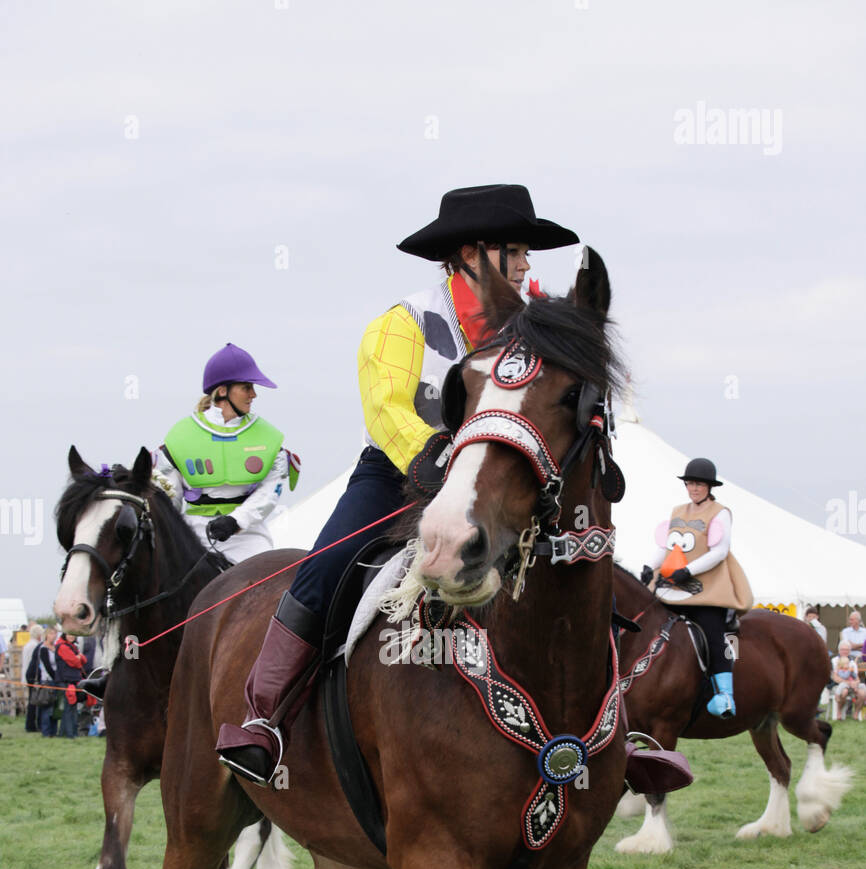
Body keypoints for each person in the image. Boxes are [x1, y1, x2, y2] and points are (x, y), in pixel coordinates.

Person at [216, 183, 579, 784]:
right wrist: (436, 455)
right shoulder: (402, 322)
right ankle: (262, 718)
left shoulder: (538, 325)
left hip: (502, 479)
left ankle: (619, 724)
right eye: (515, 250)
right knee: (324, 569)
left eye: (524, 253)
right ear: (472, 255)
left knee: (581, 553)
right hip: (404, 475)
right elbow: (385, 409)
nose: (525, 264)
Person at [153, 343, 301, 564]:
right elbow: (169, 496)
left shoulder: (269, 438)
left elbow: (269, 492)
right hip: (192, 534)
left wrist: (235, 521)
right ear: (223, 391)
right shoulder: (180, 436)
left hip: (248, 536)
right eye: (246, 387)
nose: (253, 394)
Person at [640, 458, 753, 718]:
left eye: (698, 484)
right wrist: (648, 565)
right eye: (690, 483)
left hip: (706, 589)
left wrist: (687, 571)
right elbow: (666, 546)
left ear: (709, 486)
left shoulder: (720, 512)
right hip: (672, 586)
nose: (693, 488)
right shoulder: (678, 510)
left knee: (714, 636)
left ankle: (725, 696)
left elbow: (720, 551)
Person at [28, 625, 60, 737]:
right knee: (47, 707)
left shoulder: (56, 648)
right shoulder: (43, 648)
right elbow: (47, 666)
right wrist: (56, 677)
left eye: (55, 633)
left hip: (56, 681)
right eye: (51, 633)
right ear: (46, 635)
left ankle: (53, 731)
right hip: (47, 681)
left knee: (55, 708)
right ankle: (46, 732)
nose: (53, 636)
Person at [55, 630, 87, 737]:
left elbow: (84, 660)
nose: (71, 636)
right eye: (69, 634)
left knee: (71, 707)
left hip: (73, 680)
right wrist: (78, 657)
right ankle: (70, 734)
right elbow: (75, 662)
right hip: (66, 681)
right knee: (69, 707)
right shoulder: (63, 647)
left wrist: (79, 658)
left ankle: (65, 733)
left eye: (73, 634)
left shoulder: (72, 646)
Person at [831, 641, 866, 718]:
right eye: (843, 649)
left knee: (862, 693)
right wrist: (848, 682)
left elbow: (856, 677)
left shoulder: (853, 662)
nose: (845, 651)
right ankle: (839, 710)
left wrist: (856, 682)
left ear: (850, 651)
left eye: (847, 650)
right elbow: (835, 677)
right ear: (839, 650)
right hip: (837, 685)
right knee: (844, 691)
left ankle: (856, 712)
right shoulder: (835, 660)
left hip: (852, 685)